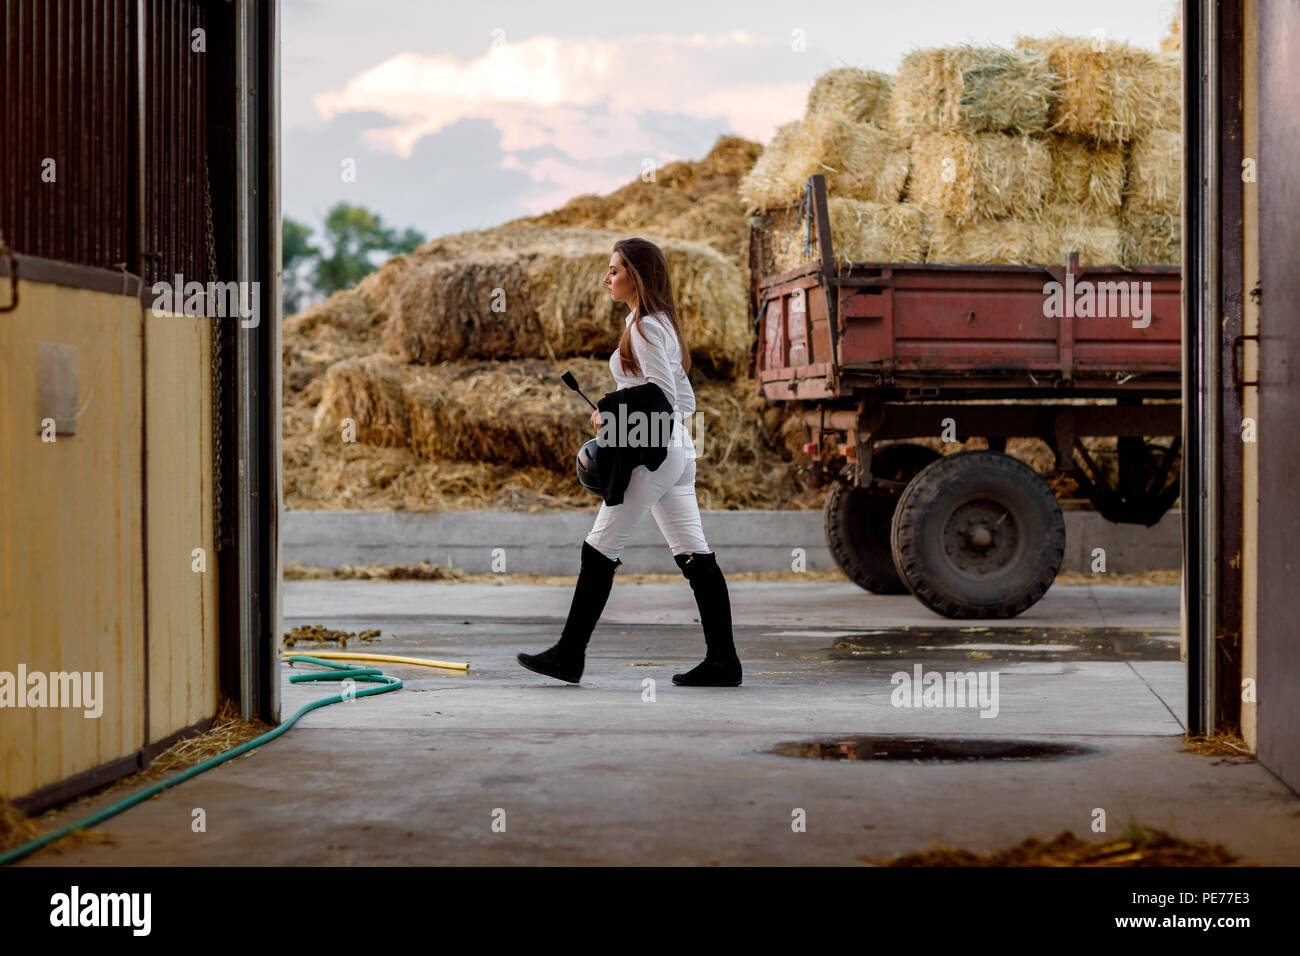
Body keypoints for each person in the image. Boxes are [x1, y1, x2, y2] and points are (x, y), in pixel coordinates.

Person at [516, 237, 743, 687]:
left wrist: (608, 406)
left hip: (654, 449)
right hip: (676, 446)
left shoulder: (644, 328)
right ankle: (723, 661)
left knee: (599, 547)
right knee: (694, 553)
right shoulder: (658, 323)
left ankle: (569, 655)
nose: (607, 277)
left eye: (615, 270)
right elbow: (683, 399)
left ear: (636, 275)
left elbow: (659, 392)